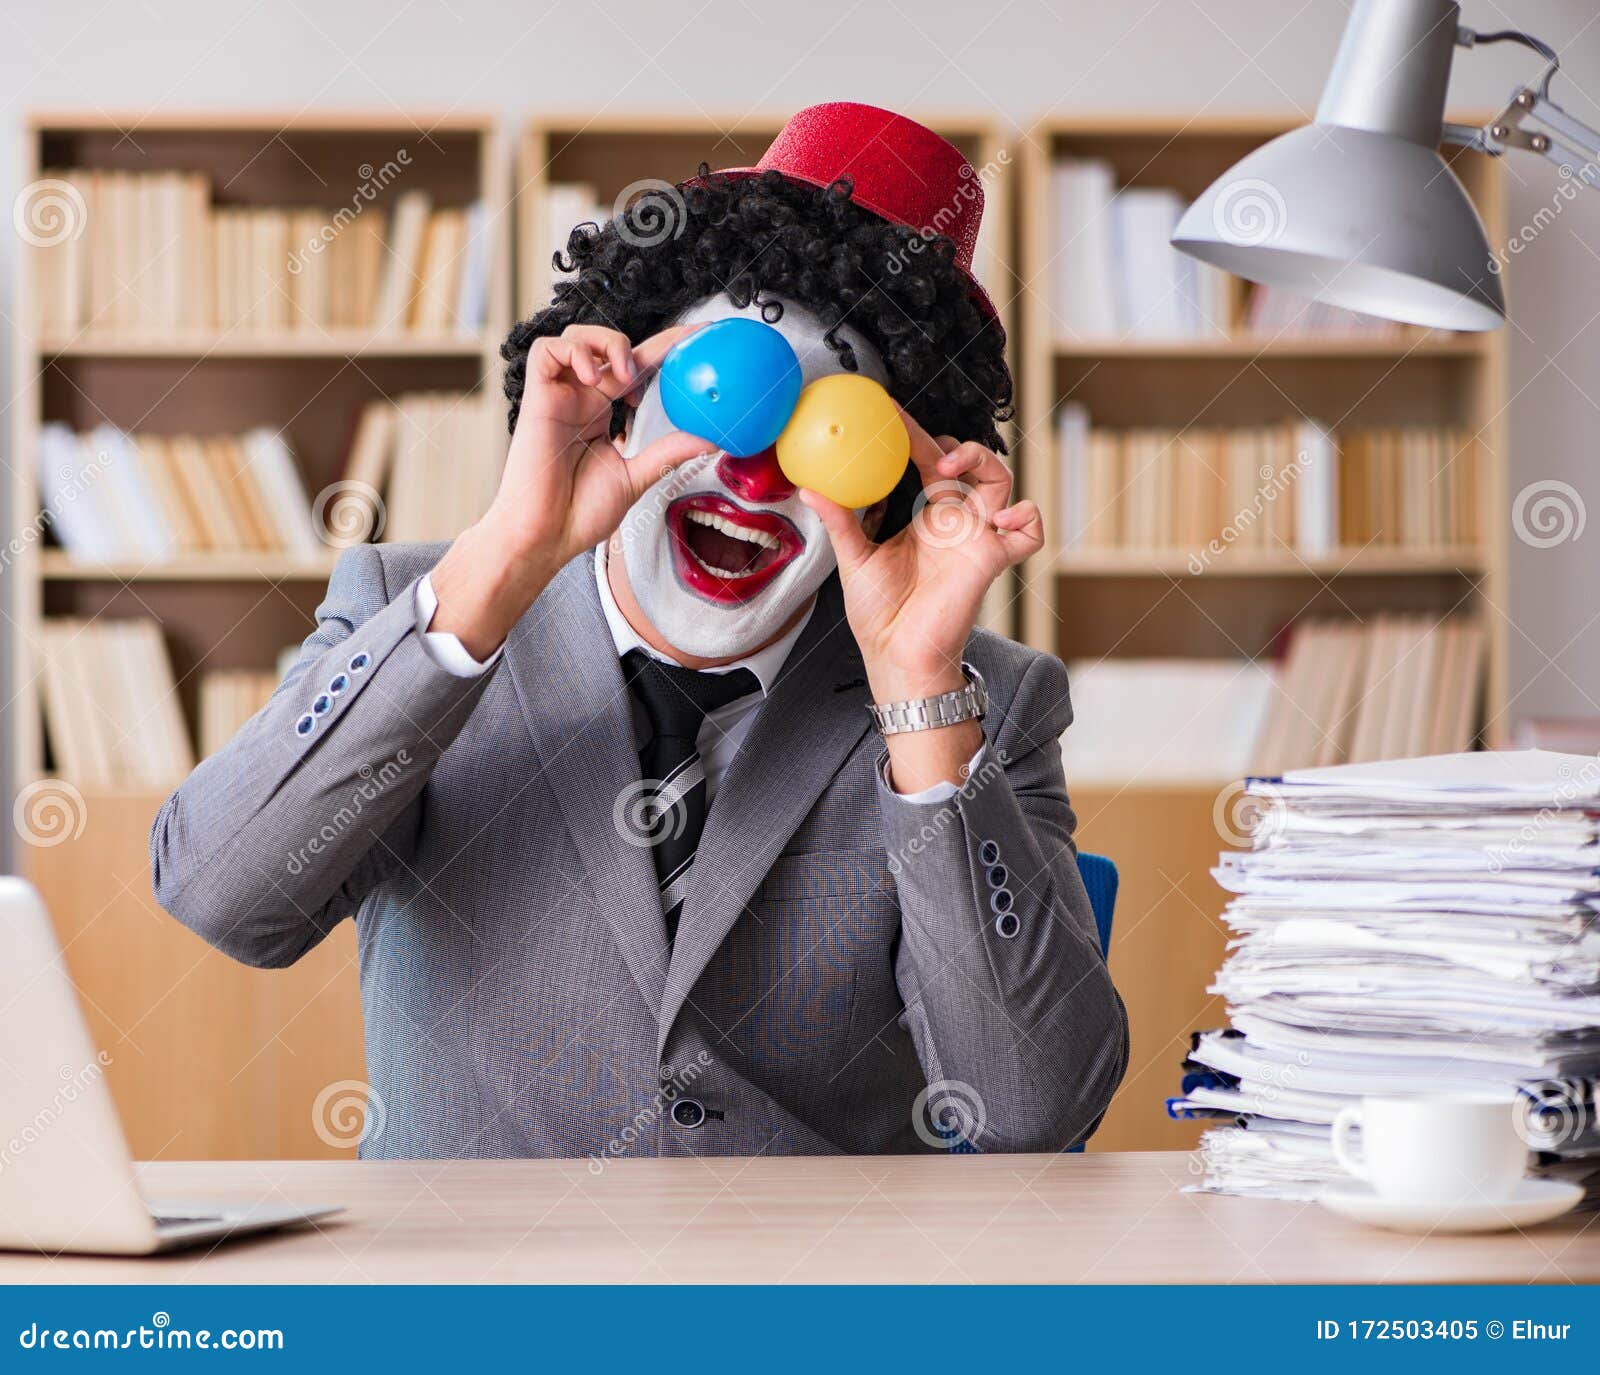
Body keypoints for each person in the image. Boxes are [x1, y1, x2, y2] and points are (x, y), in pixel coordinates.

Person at [151, 103, 1127, 1159]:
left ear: (897, 476)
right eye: (732, 386)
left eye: (826, 421)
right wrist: (502, 566)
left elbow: (1035, 1112)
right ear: (628, 392)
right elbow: (222, 899)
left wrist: (918, 690)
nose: (754, 476)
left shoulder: (983, 694)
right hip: (472, 1300)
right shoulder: (422, 606)